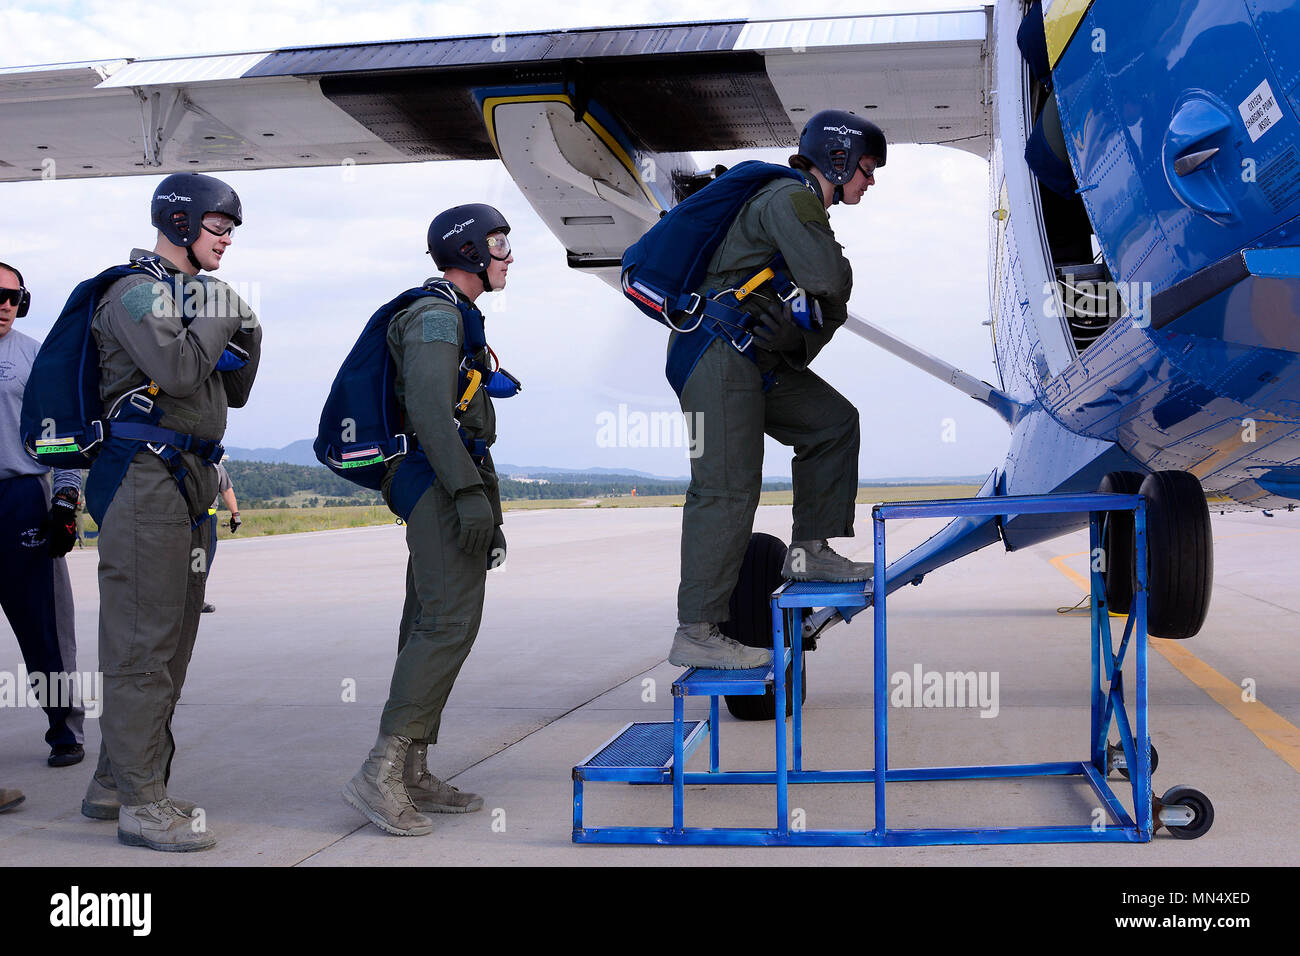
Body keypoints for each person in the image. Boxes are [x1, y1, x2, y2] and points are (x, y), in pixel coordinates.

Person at [77, 173, 261, 851]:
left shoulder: (191, 298)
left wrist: (238, 316)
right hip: (142, 479)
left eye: (231, 229)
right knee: (142, 645)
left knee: (172, 642)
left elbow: (234, 387)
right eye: (218, 227)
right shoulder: (135, 293)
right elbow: (182, 374)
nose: (227, 239)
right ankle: (141, 803)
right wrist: (218, 306)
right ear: (180, 223)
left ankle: (115, 782)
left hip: (189, 480)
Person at [669, 109, 884, 669]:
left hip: (753, 357)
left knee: (832, 421)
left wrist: (795, 335)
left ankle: (811, 552)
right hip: (714, 357)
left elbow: (822, 304)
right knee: (726, 488)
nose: (871, 180)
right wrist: (827, 296)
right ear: (838, 160)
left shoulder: (804, 208)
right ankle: (697, 628)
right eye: (866, 167)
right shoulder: (790, 199)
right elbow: (830, 283)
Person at [342, 204, 513, 836]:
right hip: (436, 482)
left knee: (430, 622)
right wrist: (469, 495)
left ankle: (411, 767)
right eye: (498, 243)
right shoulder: (439, 317)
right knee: (447, 622)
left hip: (447, 479)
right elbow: (431, 416)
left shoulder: (453, 317)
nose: (508, 255)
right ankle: (380, 772)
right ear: (468, 251)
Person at [0, 261, 86, 766]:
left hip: (22, 499)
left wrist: (66, 501)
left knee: (45, 625)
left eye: (15, 297)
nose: (6, 305)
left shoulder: (35, 356)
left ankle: (65, 730)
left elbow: (65, 438)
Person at [200, 458, 240, 613]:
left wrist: (235, 514)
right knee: (199, 560)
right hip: (198, 521)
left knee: (200, 561)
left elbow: (226, 489)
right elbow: (226, 490)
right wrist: (235, 515)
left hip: (205, 519)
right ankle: (192, 599)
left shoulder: (216, 465)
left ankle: (195, 598)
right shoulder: (214, 464)